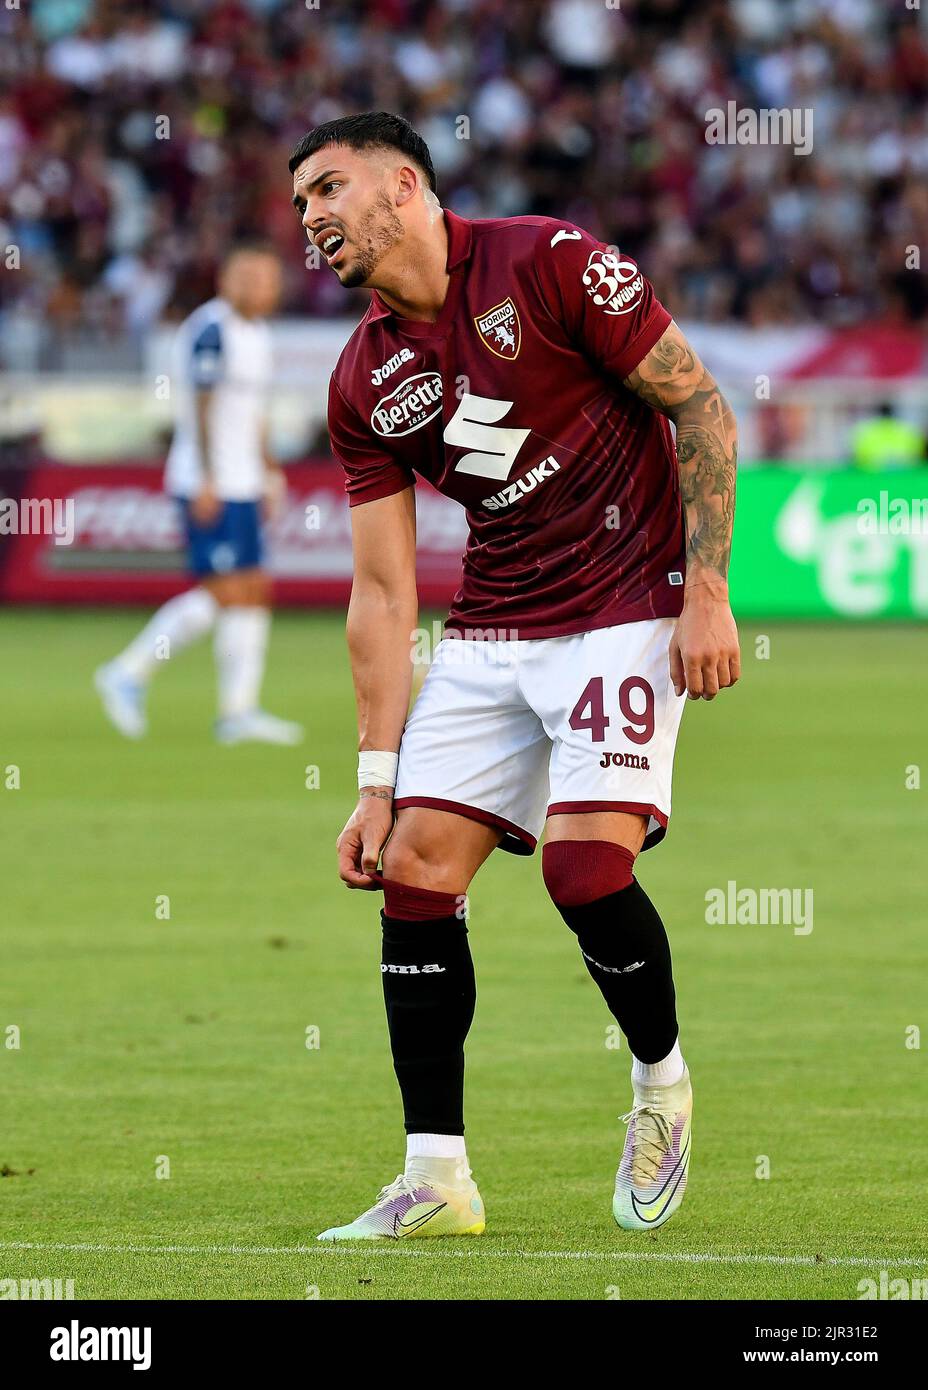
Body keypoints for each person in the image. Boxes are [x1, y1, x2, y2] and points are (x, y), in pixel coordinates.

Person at [290, 112, 739, 1240]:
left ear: (403, 187)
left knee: (585, 873)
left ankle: (659, 1084)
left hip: (629, 604)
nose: (310, 219)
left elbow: (697, 401)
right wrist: (375, 777)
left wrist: (708, 589)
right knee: (415, 874)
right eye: (299, 204)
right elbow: (384, 594)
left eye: (328, 190)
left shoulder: (546, 261)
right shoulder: (361, 380)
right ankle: (436, 1178)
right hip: (494, 626)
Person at [95, 244, 303, 746]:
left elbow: (254, 413)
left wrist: (269, 471)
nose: (258, 287)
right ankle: (127, 672)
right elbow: (203, 409)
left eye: (266, 279)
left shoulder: (258, 335)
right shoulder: (211, 331)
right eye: (248, 277)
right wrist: (209, 476)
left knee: (253, 589)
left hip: (244, 480)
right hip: (207, 479)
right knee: (225, 589)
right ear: (226, 279)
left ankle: (237, 712)